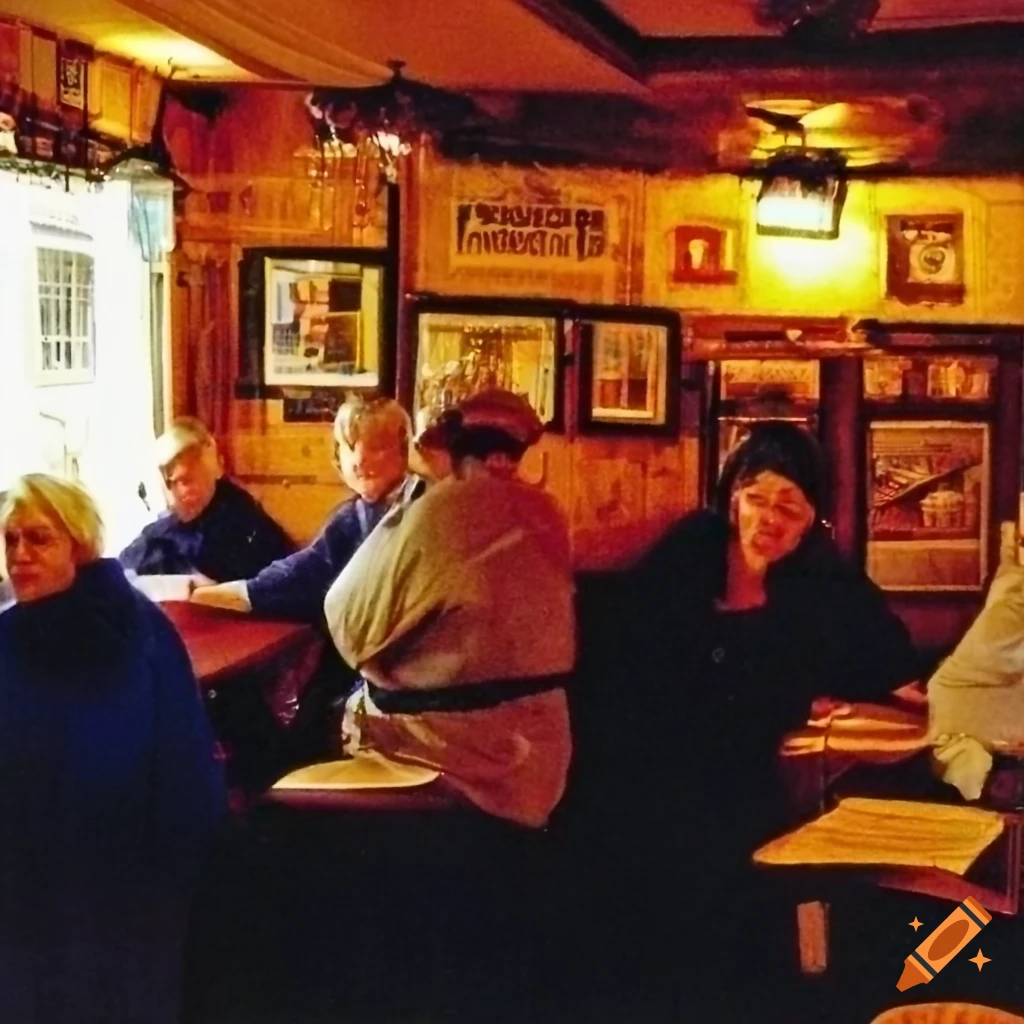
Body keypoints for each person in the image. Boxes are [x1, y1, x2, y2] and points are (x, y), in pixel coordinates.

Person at [606, 421, 923, 1014]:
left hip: (750, 782)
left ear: (812, 521)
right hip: (656, 783)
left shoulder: (819, 574)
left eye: (791, 507)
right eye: (757, 498)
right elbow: (659, 684)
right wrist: (794, 699)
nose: (769, 519)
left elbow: (892, 663)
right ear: (732, 498)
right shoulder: (690, 554)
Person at [0, 473, 225, 1024]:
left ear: (78, 545)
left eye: (39, 538)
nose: (21, 554)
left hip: (126, 872)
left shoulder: (137, 630)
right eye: (9, 540)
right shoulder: (7, 636)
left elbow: (185, 766)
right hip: (29, 871)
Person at [324, 389, 575, 828]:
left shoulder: (442, 508)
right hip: (539, 761)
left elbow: (347, 622)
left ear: (451, 451)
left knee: (305, 745)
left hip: (456, 757)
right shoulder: (547, 512)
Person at [191, 397, 421, 624]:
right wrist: (230, 592)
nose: (359, 460)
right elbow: (305, 569)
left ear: (405, 451)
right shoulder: (353, 515)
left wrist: (230, 593)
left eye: (376, 447)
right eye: (350, 448)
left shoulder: (423, 505)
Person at [120, 416, 293, 581]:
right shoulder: (160, 533)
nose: (179, 492)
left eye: (187, 480)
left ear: (217, 468)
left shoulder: (245, 523)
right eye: (170, 484)